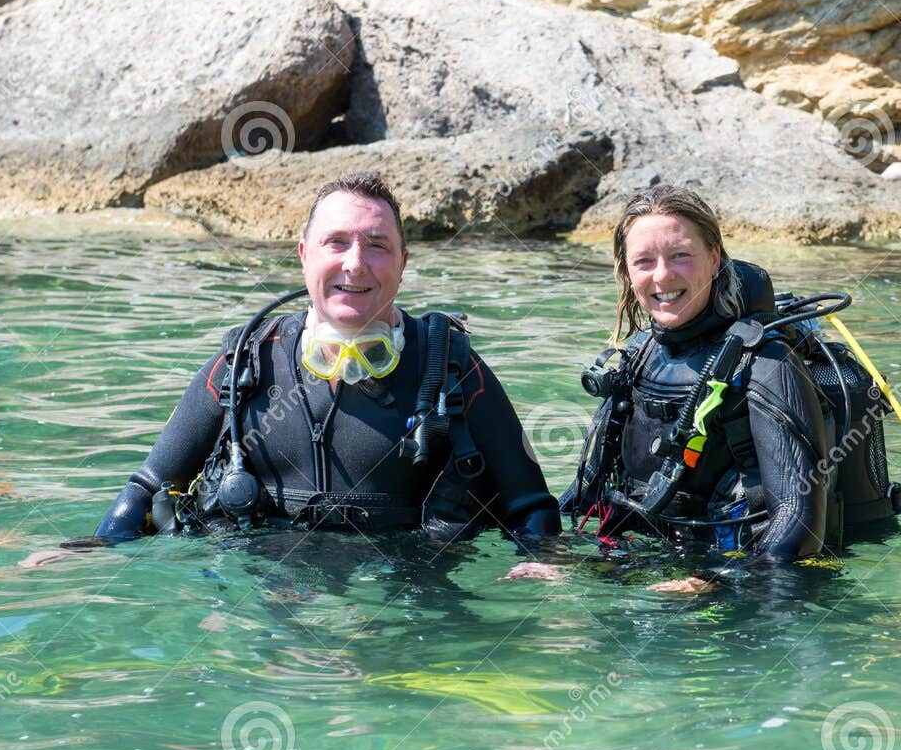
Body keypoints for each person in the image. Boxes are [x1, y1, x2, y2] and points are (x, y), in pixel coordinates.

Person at [84, 172, 560, 548]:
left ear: (403, 262)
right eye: (337, 242)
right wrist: (83, 553)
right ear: (304, 254)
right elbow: (146, 490)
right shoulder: (246, 361)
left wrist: (543, 570)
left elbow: (532, 506)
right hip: (266, 609)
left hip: (414, 608)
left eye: (377, 245)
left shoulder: (452, 369)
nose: (355, 263)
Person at [564, 185, 871, 592]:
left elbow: (799, 527)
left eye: (681, 256)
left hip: (748, 583)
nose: (662, 275)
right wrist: (552, 554)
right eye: (644, 261)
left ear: (715, 259)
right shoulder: (637, 357)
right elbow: (587, 493)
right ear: (625, 271)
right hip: (655, 566)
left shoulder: (765, 362)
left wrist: (711, 582)